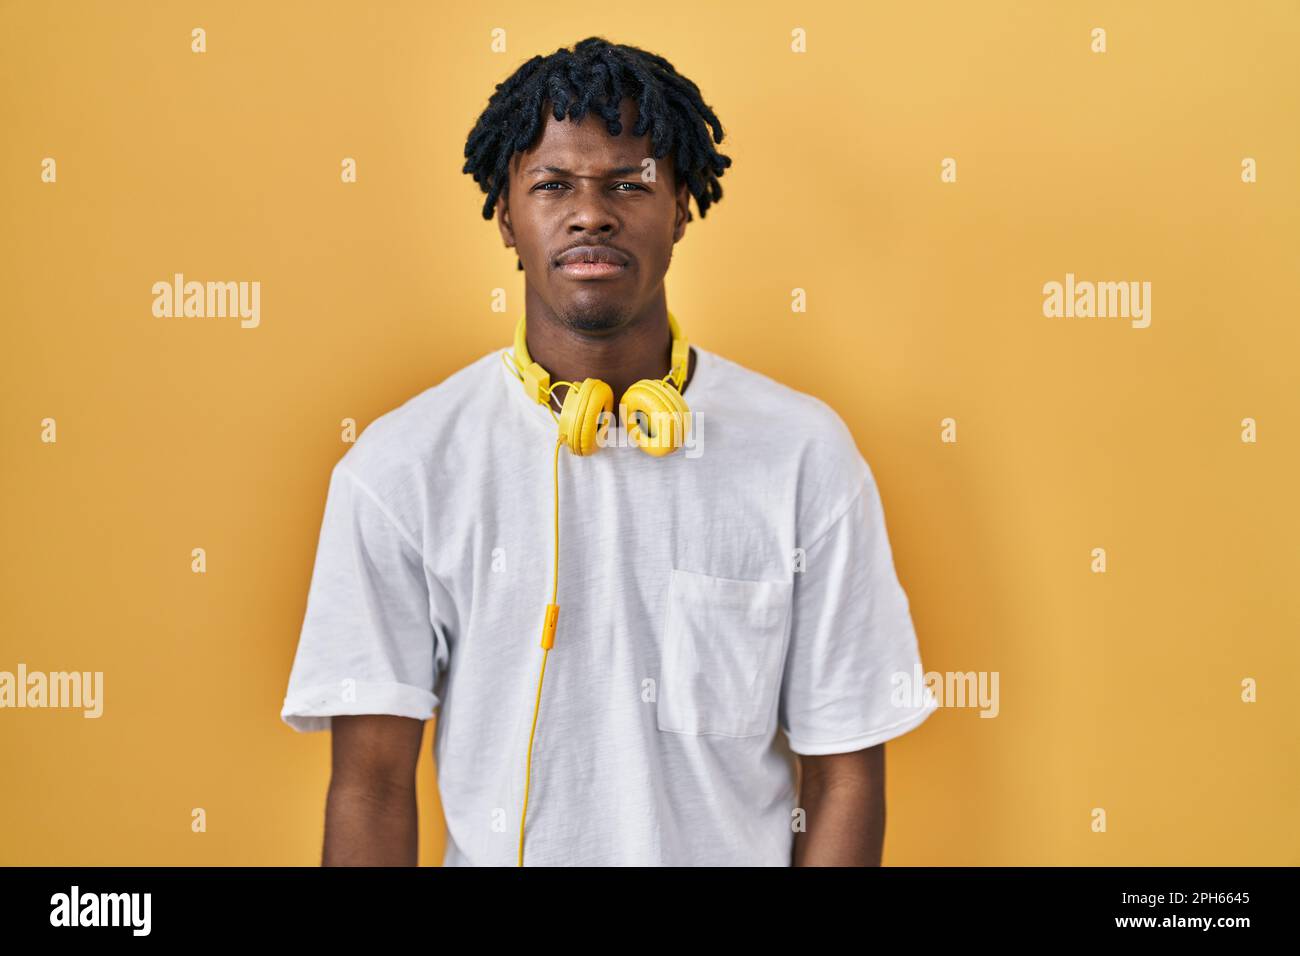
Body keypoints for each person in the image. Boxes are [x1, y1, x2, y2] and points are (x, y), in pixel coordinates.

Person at [280, 35, 937, 867]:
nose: (591, 212)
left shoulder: (803, 454)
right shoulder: (401, 468)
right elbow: (372, 784)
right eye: (552, 184)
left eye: (630, 183)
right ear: (505, 216)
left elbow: (843, 774)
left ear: (682, 208)